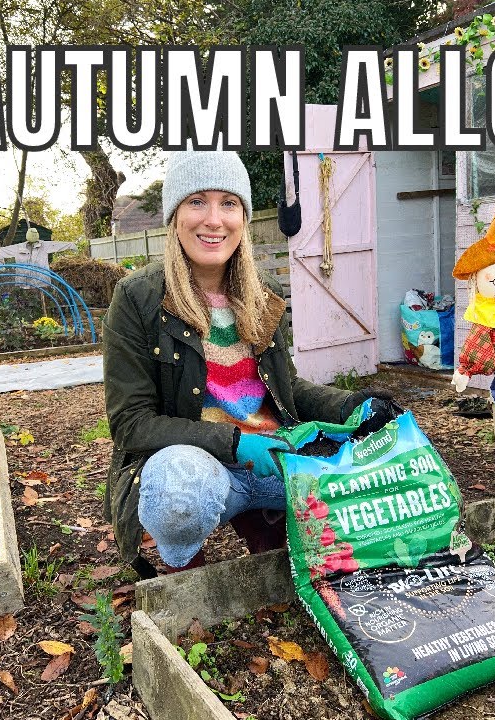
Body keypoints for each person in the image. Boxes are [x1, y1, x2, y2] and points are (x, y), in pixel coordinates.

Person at [102, 150, 386, 579]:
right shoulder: (138, 298)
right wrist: (234, 442)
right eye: (197, 201)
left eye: (228, 203)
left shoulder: (263, 291)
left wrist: (353, 406)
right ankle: (184, 576)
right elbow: (131, 424)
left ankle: (266, 530)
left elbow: (286, 387)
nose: (214, 220)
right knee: (179, 491)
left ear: (244, 217)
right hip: (204, 470)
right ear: (175, 215)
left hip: (276, 461)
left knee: (374, 463)